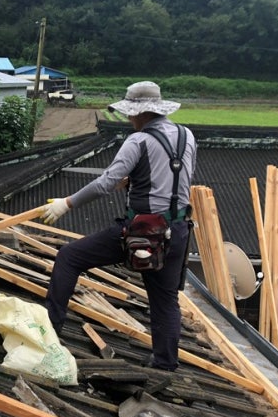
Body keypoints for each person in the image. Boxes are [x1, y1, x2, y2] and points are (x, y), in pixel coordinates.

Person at [41, 81, 196, 371]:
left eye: (130, 114)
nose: (129, 119)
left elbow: (104, 184)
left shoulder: (137, 141)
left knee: (69, 257)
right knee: (165, 299)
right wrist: (137, 179)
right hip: (177, 232)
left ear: (139, 114)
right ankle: (164, 364)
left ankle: (48, 336)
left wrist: (67, 203)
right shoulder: (187, 136)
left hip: (144, 234)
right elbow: (177, 180)